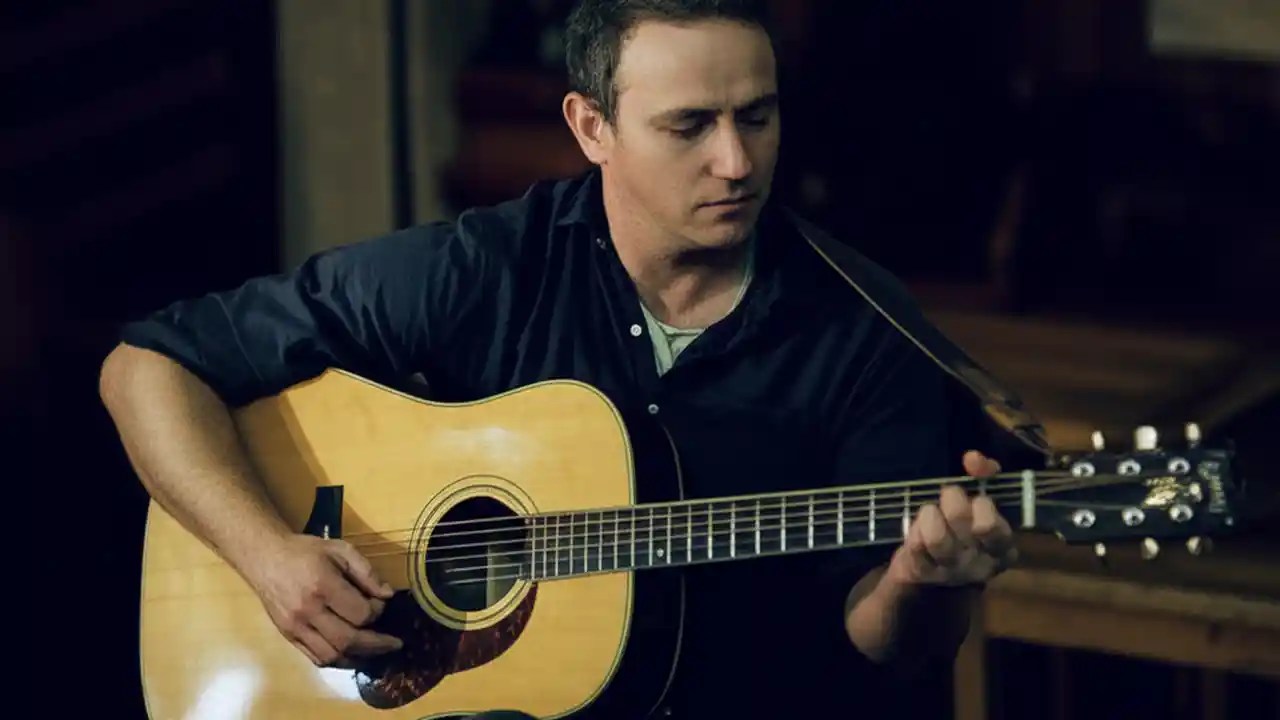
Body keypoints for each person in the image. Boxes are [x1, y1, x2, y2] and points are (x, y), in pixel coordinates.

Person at [99, 0, 1048, 717]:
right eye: (689, 125)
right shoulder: (489, 268)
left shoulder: (869, 327)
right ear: (592, 127)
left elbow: (882, 641)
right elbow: (146, 367)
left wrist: (925, 582)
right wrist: (269, 556)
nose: (736, 162)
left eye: (757, 117)